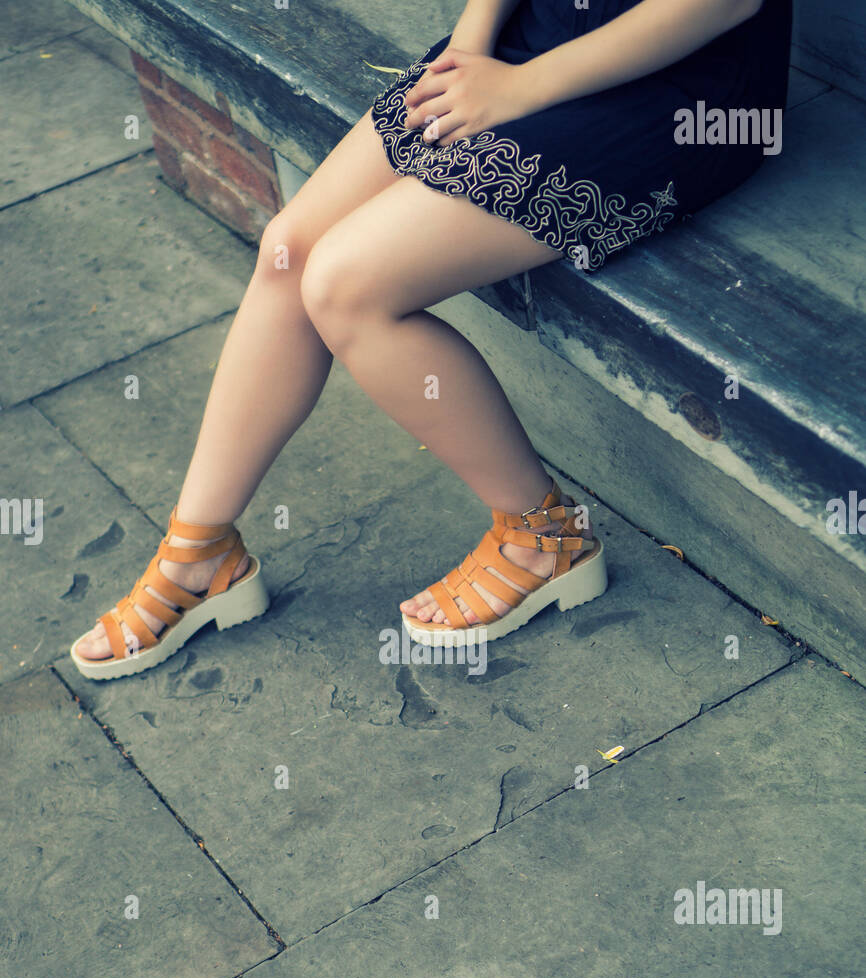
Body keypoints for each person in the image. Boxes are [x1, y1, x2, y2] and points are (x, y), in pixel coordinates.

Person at [70, 0, 792, 678]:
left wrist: (519, 88)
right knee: (290, 251)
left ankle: (545, 542)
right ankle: (200, 553)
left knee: (346, 286)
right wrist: (471, 46)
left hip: (679, 85)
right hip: (522, 43)